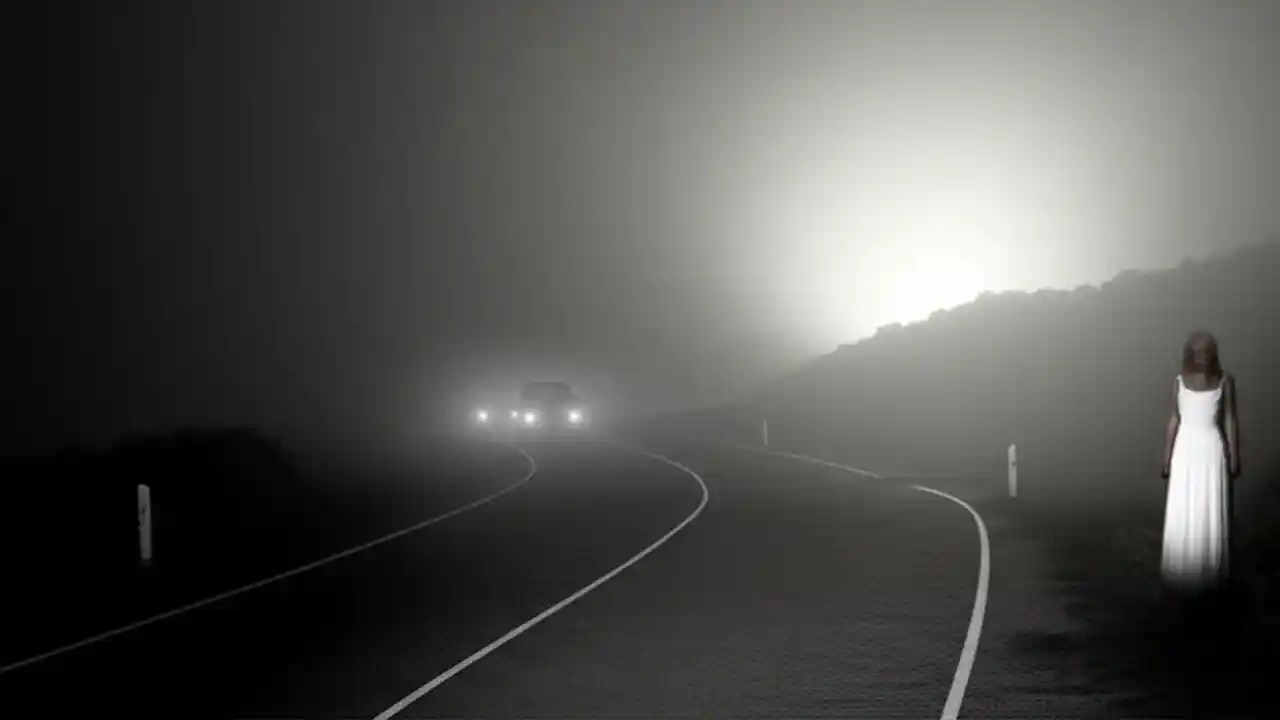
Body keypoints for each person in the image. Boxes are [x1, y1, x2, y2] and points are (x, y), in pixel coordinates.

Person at [1159, 329, 1241, 592]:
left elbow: (1230, 419)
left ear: (1213, 353)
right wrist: (1166, 457)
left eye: (1206, 351)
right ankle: (1181, 570)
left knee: (1208, 502)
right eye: (1196, 351)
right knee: (1184, 503)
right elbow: (1174, 418)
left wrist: (1234, 455)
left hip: (1211, 449)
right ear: (1189, 353)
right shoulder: (1179, 381)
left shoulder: (1225, 381)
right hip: (1185, 448)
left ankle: (1208, 570)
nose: (1201, 356)